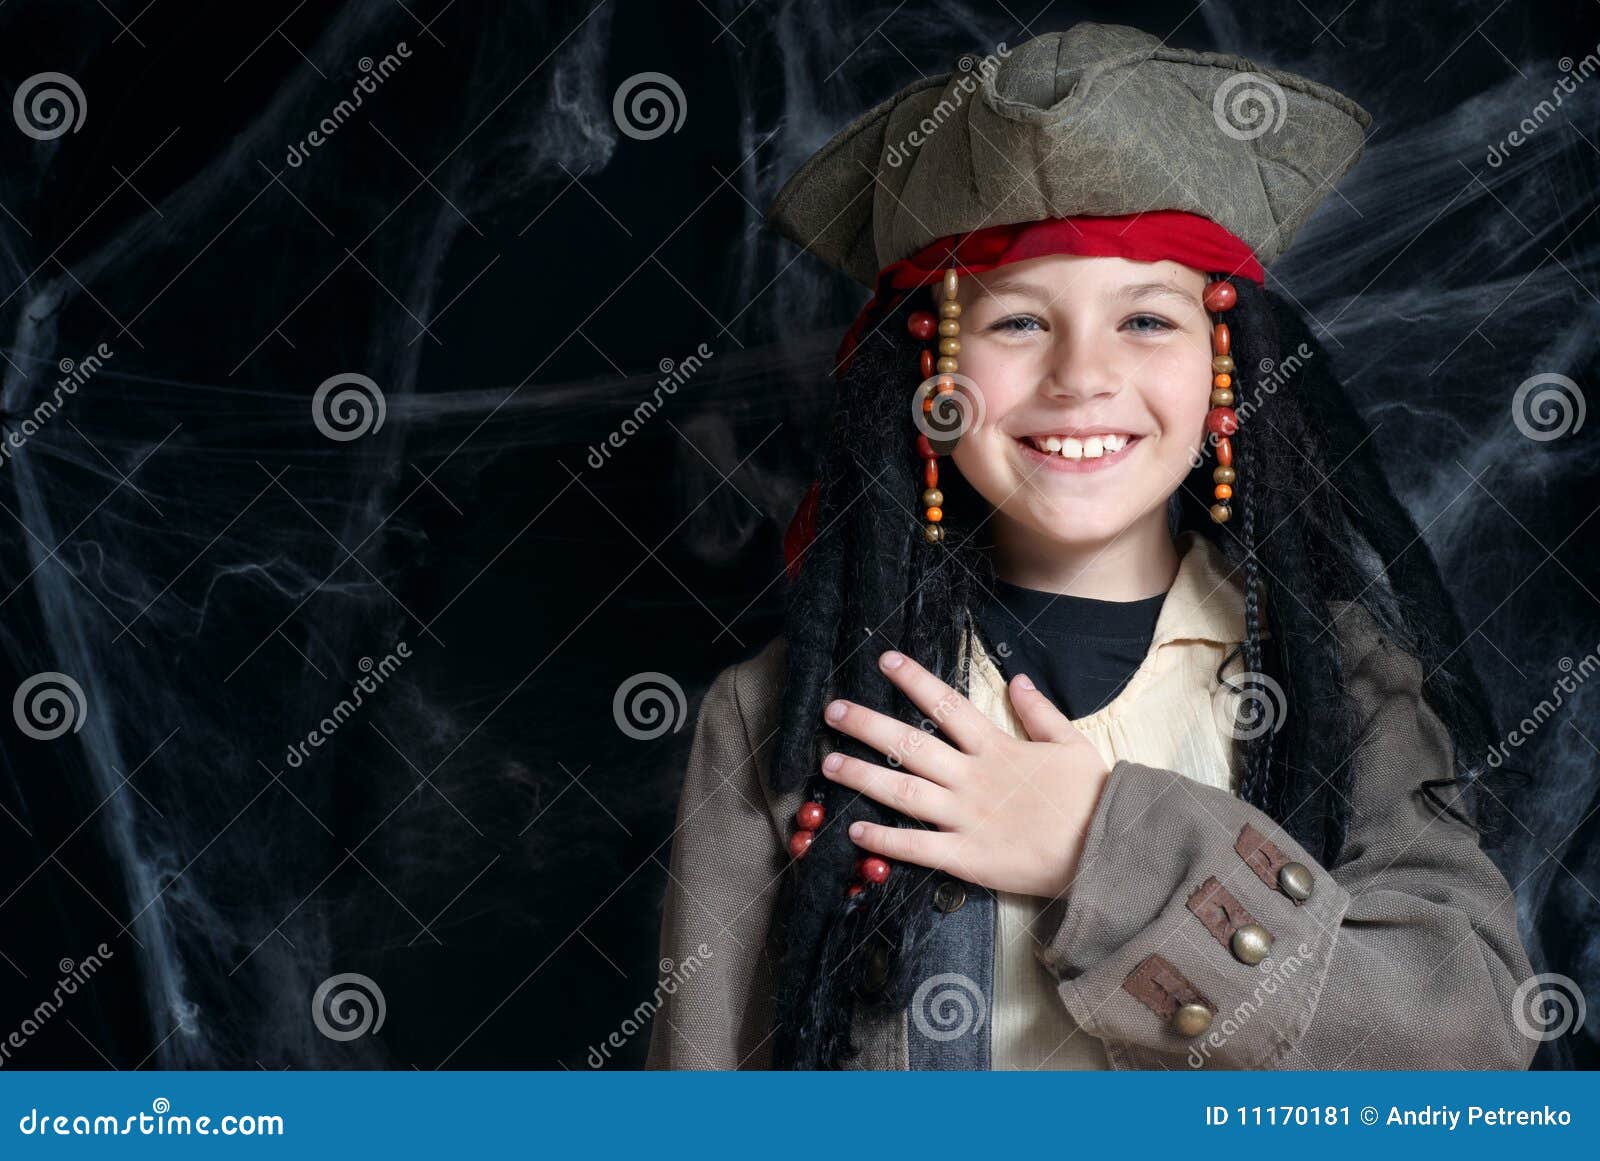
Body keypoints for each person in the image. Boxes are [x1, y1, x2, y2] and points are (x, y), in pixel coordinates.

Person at [645, 21, 1537, 1071]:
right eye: (1017, 323)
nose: (1080, 376)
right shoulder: (781, 713)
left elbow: (1472, 1038)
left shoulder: (1342, 684)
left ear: (1226, 368)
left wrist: (1098, 848)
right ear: (926, 373)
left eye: (1147, 321)